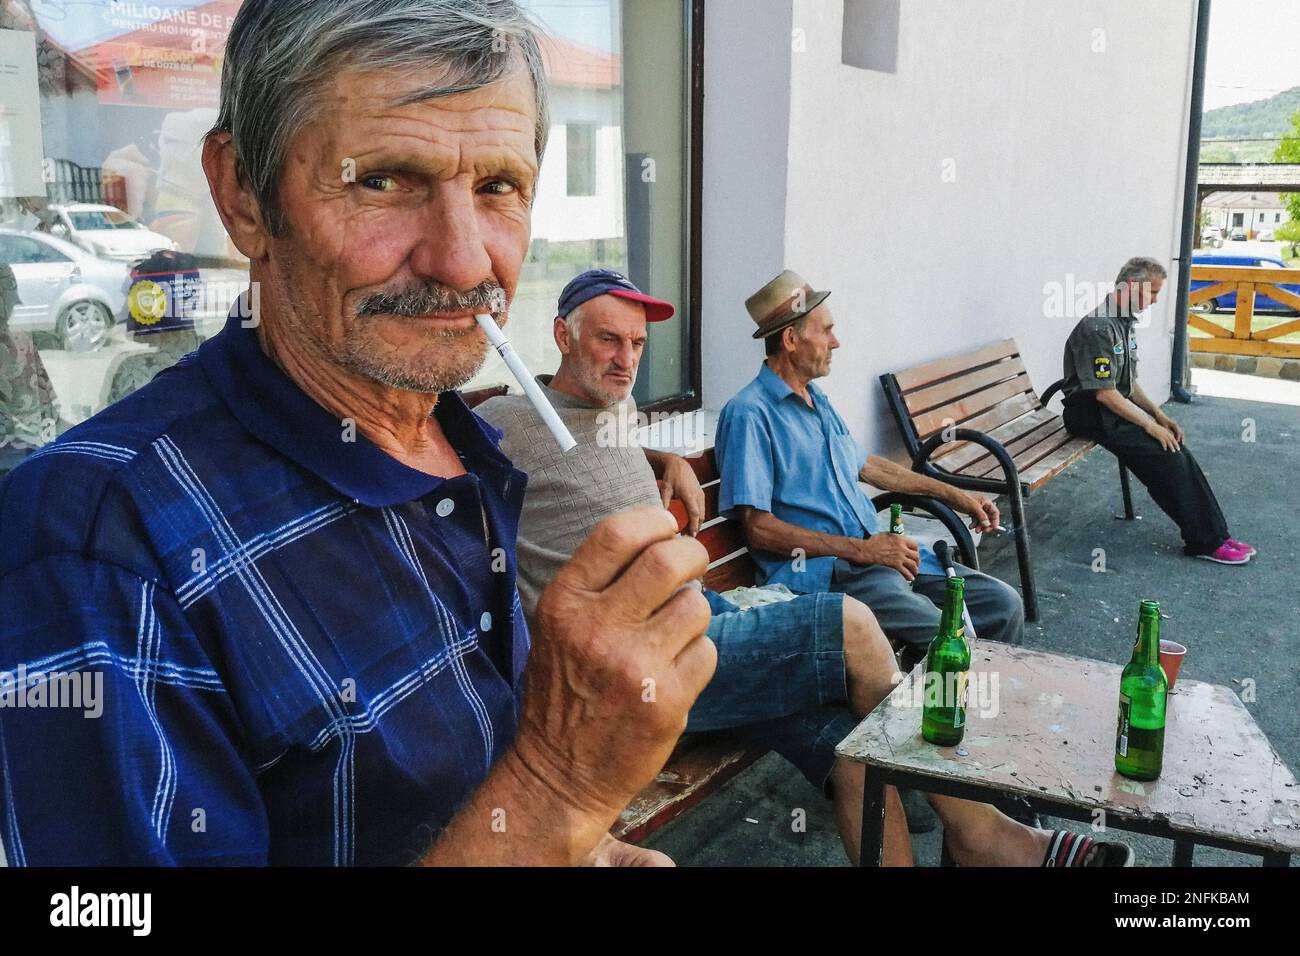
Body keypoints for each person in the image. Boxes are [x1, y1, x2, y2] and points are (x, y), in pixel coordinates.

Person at [0, 0, 716, 867]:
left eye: (497, 187)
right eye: (384, 179)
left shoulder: (465, 446)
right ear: (243, 195)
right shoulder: (93, 549)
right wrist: (560, 788)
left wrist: (585, 848)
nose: (463, 262)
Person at [479, 269, 1134, 866]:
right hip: (634, 664)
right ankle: (982, 832)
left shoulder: (613, 408)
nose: (626, 360)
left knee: (858, 755)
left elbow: (597, 441)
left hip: (703, 630)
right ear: (561, 334)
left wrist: (665, 461)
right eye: (607, 341)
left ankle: (980, 830)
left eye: (638, 345)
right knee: (858, 626)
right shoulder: (501, 423)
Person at [716, 270, 1025, 663]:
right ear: (792, 340)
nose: (836, 342)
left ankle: (977, 711)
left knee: (1003, 604)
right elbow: (759, 530)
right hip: (831, 574)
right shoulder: (750, 414)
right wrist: (865, 550)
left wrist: (955, 494)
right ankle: (946, 717)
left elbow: (868, 466)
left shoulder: (817, 400)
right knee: (948, 636)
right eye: (826, 331)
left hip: (880, 560)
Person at [1060, 256, 1254, 565]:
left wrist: (1160, 416)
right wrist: (1150, 427)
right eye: (1152, 293)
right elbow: (1105, 394)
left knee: (1177, 451)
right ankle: (1205, 541)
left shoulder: (1121, 322)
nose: (1154, 301)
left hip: (1109, 409)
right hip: (1090, 413)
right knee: (1167, 457)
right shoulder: (1098, 327)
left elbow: (1128, 383)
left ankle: (1217, 535)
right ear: (1133, 287)